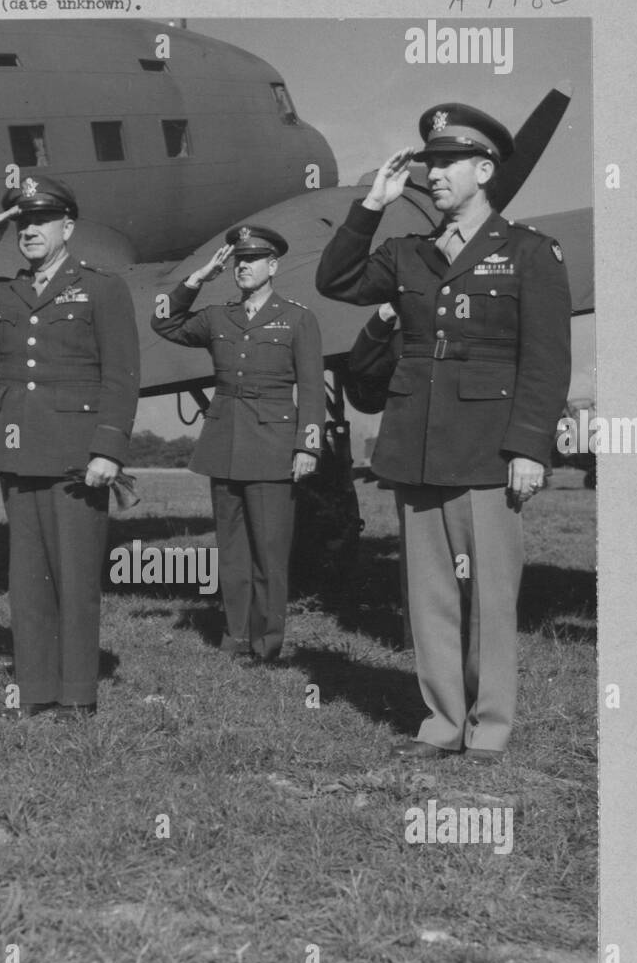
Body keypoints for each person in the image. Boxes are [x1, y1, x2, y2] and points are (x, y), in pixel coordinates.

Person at [315, 104, 572, 761]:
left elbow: (545, 361)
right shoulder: (408, 255)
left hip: (490, 450)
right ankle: (439, 723)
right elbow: (336, 279)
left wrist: (529, 449)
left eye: (447, 164)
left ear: (484, 170)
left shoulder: (528, 252)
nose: (433, 175)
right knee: (428, 595)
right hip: (416, 445)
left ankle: (489, 730)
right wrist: (370, 207)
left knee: (489, 596)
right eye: (428, 164)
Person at [0, 175, 140, 721]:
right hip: (18, 453)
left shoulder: (101, 286)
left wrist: (109, 450)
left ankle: (76, 694)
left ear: (67, 226)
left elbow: (120, 375)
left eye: (41, 221)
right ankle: (35, 688)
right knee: (27, 581)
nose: (29, 232)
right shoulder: (6, 291)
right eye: (21, 224)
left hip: (76, 456)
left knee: (74, 577)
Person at [151, 225, 324, 661]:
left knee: (269, 550)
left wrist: (307, 446)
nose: (242, 266)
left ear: (273, 265)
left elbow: (312, 389)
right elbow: (164, 321)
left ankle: (268, 643)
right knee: (230, 551)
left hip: (272, 443)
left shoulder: (298, 318)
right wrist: (197, 278)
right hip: (225, 442)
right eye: (236, 261)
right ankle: (236, 635)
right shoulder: (217, 317)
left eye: (252, 259)